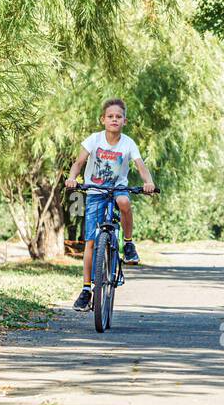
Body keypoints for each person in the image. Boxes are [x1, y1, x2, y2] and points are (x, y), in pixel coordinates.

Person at [65, 98, 156, 311]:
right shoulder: (94, 140)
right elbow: (78, 163)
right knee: (90, 243)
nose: (114, 119)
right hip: (95, 190)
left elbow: (141, 167)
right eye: (110, 116)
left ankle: (129, 243)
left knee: (124, 201)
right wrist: (72, 178)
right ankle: (87, 289)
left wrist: (148, 182)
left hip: (118, 188)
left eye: (118, 117)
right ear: (103, 120)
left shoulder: (128, 143)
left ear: (124, 121)